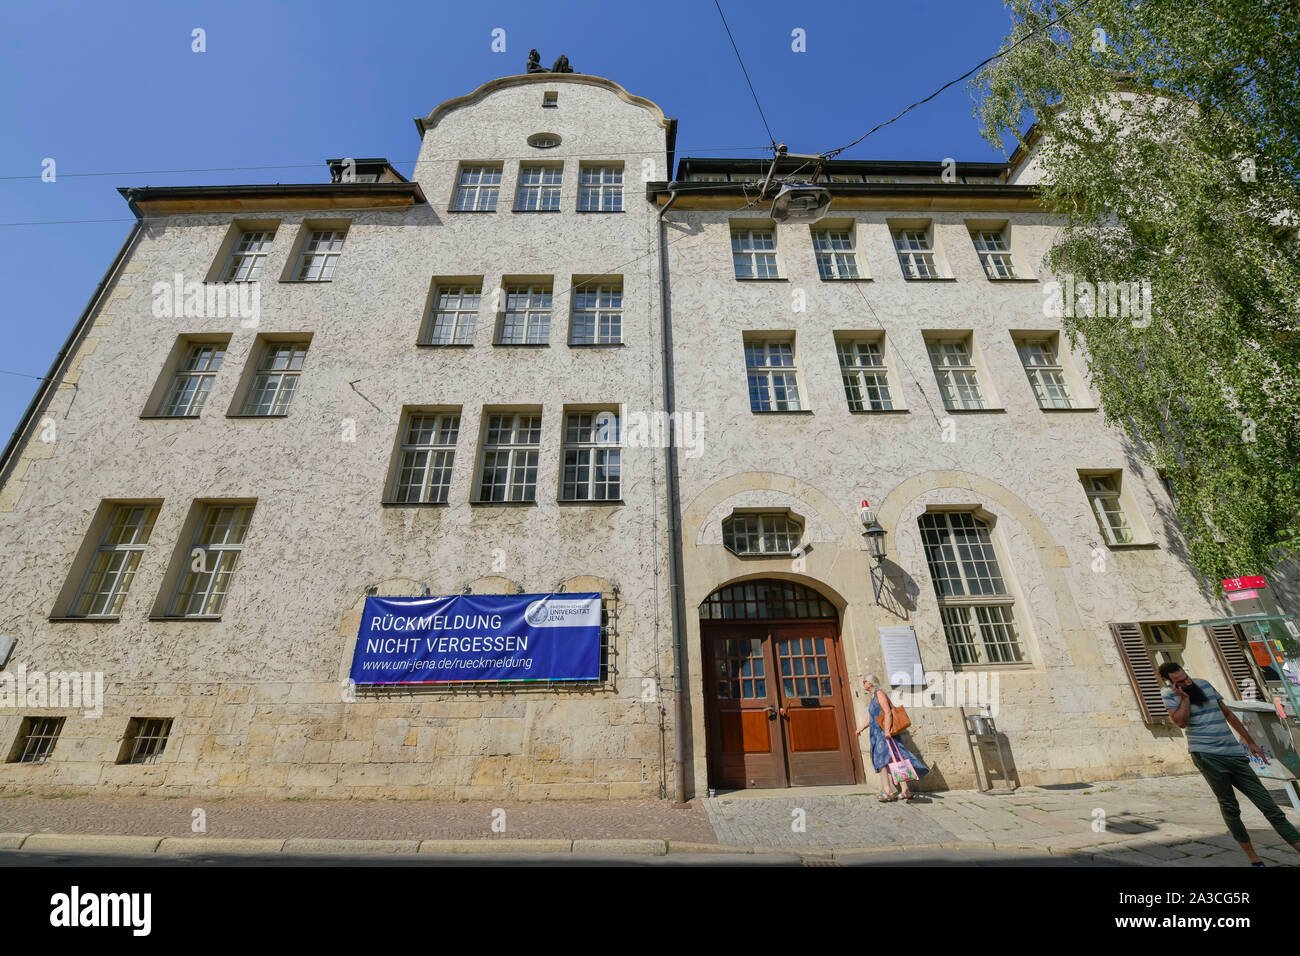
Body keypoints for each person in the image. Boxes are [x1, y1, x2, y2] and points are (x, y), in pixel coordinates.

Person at [1160, 662, 1300, 866]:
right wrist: (1184, 699)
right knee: (1230, 807)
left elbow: (1228, 714)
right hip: (1207, 756)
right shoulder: (1169, 695)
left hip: (1233, 753)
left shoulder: (1205, 685)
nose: (1187, 681)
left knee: (1269, 806)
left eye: (1186, 676)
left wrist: (1250, 741)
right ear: (1171, 683)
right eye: (1180, 681)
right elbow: (1180, 722)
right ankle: (1254, 859)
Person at [856, 674, 928, 801]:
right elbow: (871, 717)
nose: (864, 684)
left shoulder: (880, 694)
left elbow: (887, 712)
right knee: (892, 760)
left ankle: (888, 790)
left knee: (882, 761)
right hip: (877, 734)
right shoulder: (873, 697)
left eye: (865, 682)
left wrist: (887, 730)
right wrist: (861, 728)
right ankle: (905, 790)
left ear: (871, 683)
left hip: (883, 733)